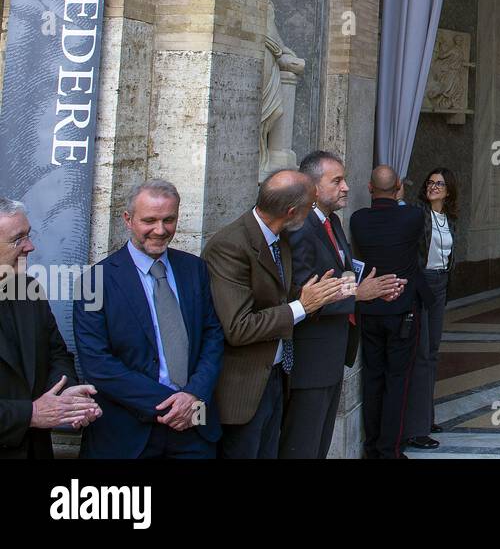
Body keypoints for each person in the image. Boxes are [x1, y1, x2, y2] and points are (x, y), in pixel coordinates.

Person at [74, 180, 225, 458]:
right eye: (150, 220)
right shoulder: (94, 282)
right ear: (128, 220)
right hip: (126, 436)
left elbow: (212, 337)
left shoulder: (194, 269)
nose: (160, 230)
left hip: (193, 430)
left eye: (169, 219)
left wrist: (192, 397)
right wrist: (170, 405)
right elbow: (98, 363)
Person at [202, 169, 345, 458]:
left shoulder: (280, 239)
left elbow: (284, 295)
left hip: (277, 377)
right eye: (309, 207)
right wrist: (302, 306)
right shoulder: (230, 246)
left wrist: (317, 296)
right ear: (292, 211)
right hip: (244, 390)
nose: (311, 213)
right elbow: (239, 327)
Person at [280, 151, 402, 459]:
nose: (346, 187)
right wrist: (358, 294)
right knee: (301, 445)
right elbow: (303, 292)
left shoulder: (331, 221)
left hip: (334, 353)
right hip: (310, 358)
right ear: (313, 186)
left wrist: (370, 291)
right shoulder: (299, 227)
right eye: (337, 181)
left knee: (318, 446)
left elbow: (342, 272)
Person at [0, 198, 100, 458]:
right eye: (17, 239)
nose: (30, 246)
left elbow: (57, 354)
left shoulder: (28, 288)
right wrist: (30, 414)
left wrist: (67, 397)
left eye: (28, 235)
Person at [352, 166, 433, 459]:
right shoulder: (411, 216)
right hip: (402, 311)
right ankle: (390, 450)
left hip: (370, 310)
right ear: (398, 186)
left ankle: (372, 447)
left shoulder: (358, 219)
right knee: (397, 380)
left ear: (370, 189)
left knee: (373, 378)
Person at [404, 166, 458, 450]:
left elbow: (449, 257)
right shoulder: (418, 214)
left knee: (433, 352)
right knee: (421, 355)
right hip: (422, 285)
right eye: (430, 182)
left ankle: (427, 416)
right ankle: (415, 428)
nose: (433, 187)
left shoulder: (449, 219)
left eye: (439, 184)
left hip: (440, 284)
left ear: (448, 191)